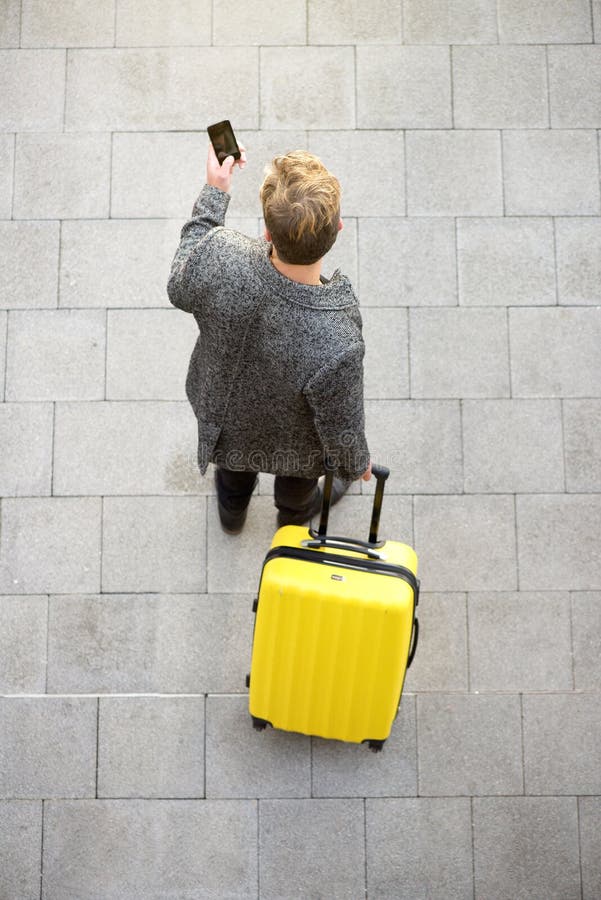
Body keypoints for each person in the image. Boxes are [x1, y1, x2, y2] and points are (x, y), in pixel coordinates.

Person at [167, 141, 371, 534]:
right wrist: (355, 463)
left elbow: (180, 282)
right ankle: (292, 518)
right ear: (338, 230)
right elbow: (341, 420)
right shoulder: (338, 335)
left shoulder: (222, 257)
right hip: (297, 447)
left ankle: (232, 515)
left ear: (267, 232)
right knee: (298, 490)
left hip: (226, 420)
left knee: (232, 474)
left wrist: (215, 192)